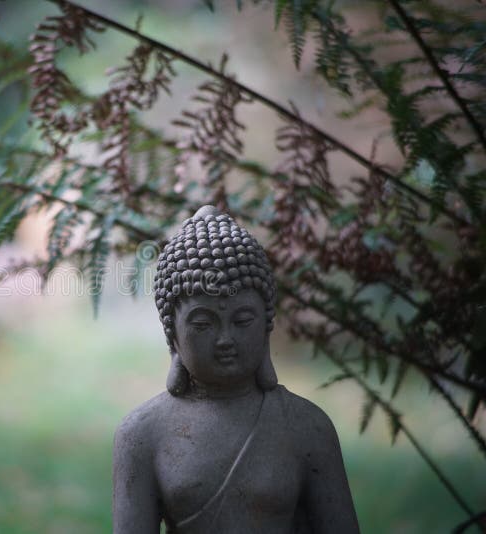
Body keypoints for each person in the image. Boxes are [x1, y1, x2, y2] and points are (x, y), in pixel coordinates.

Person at [112, 206, 359, 533]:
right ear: (173, 335)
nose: (225, 339)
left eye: (242, 321)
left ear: (267, 326)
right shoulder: (141, 434)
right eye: (203, 324)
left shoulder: (307, 427)